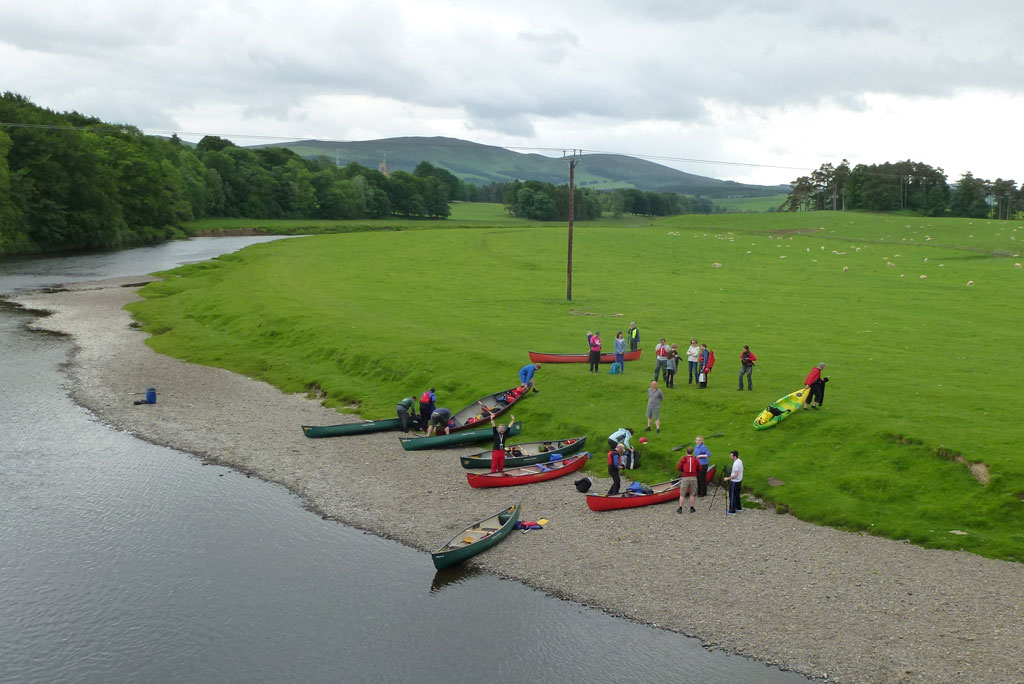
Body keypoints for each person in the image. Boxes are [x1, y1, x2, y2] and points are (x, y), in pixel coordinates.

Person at [676, 446, 700, 513]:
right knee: (692, 493)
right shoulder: (695, 459)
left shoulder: (684, 459)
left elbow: (678, 467)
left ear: (686, 452)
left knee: (682, 494)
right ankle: (691, 508)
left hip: (685, 477)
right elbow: (700, 468)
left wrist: (683, 470)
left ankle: (680, 508)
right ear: (692, 452)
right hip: (693, 477)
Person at [724, 450, 744, 514]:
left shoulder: (735, 464)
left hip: (735, 481)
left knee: (732, 495)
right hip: (739, 480)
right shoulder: (739, 461)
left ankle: (732, 510)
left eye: (731, 455)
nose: (730, 456)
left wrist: (728, 478)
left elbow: (735, 475)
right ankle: (739, 508)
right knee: (737, 495)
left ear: (734, 456)